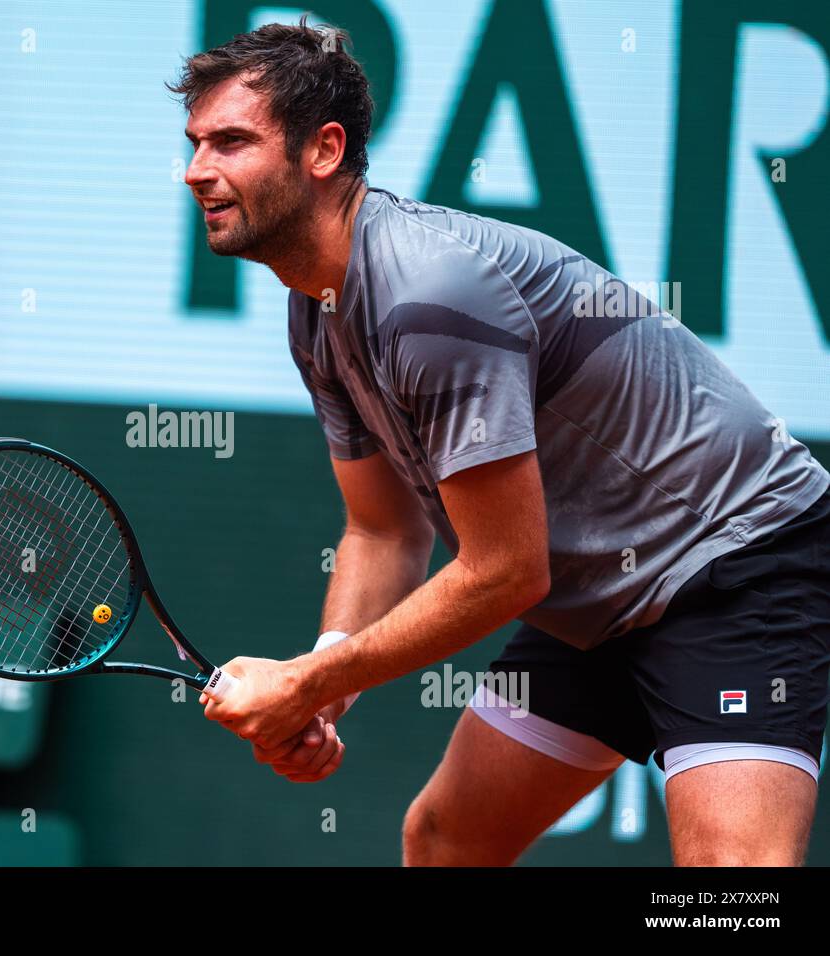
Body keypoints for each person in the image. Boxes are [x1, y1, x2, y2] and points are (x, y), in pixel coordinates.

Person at [173, 18, 830, 866]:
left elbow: (506, 572)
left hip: (733, 564)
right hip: (596, 597)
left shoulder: (429, 296)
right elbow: (384, 531)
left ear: (324, 151)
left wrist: (306, 683)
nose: (197, 171)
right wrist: (329, 682)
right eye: (194, 144)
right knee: (447, 843)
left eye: (230, 142)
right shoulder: (318, 308)